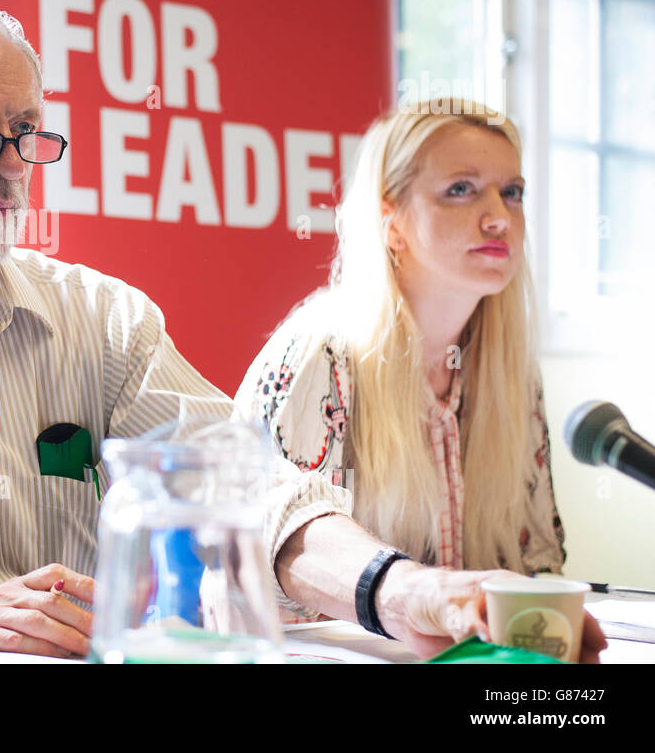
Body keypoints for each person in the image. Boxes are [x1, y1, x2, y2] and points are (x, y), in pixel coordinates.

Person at [0, 0, 581, 663]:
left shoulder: (103, 321)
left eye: (27, 132)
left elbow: (251, 489)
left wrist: (398, 590)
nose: (8, 167)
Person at [239, 99, 606, 660]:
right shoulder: (318, 354)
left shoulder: (511, 373)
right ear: (391, 222)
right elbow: (263, 580)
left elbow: (538, 569)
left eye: (512, 192)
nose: (499, 218)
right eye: (462, 189)